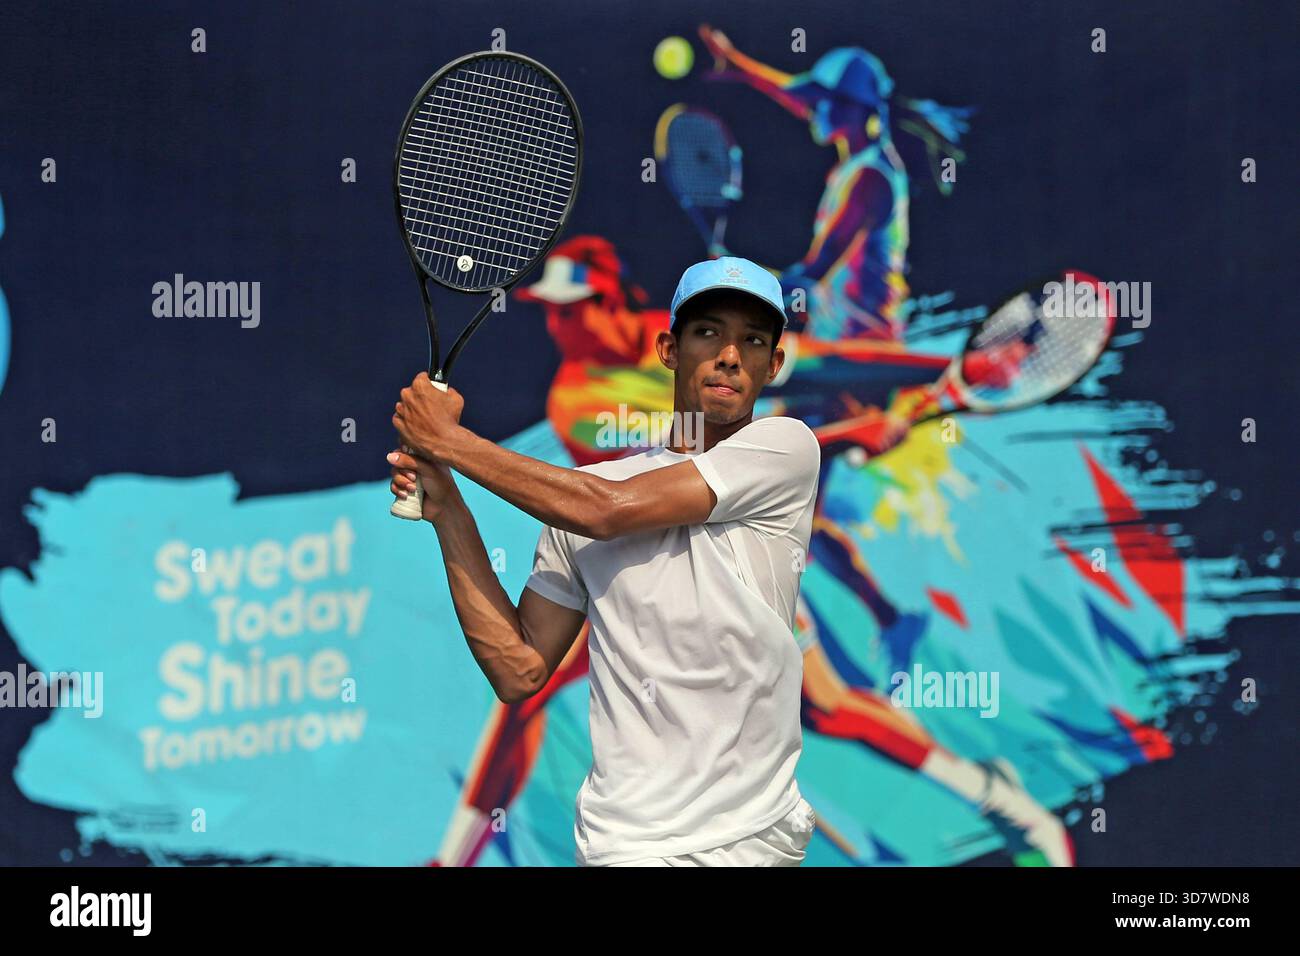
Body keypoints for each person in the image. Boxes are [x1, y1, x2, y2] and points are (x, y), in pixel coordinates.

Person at [388, 256, 823, 866]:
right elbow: (519, 671)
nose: (730, 355)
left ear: (774, 364)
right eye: (708, 333)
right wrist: (448, 513)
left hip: (746, 840)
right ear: (669, 349)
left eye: (753, 341)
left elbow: (605, 510)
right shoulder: (585, 490)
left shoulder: (785, 448)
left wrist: (449, 441)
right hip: (622, 846)